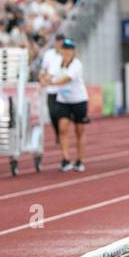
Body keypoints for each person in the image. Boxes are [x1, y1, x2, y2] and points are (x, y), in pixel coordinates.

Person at [44, 39, 88, 172]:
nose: (67, 52)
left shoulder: (77, 64)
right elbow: (49, 75)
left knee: (79, 130)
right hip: (63, 100)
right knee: (62, 128)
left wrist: (52, 83)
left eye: (70, 50)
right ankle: (65, 159)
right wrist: (43, 78)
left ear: (73, 51)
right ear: (61, 51)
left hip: (78, 100)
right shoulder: (57, 62)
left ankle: (80, 160)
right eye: (65, 49)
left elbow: (67, 78)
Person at [38, 35, 67, 170]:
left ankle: (61, 136)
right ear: (55, 42)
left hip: (62, 90)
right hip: (50, 90)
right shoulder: (48, 54)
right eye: (58, 42)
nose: (60, 44)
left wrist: (47, 80)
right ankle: (58, 133)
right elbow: (44, 69)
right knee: (52, 114)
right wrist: (42, 78)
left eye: (62, 42)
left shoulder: (66, 56)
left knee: (60, 115)